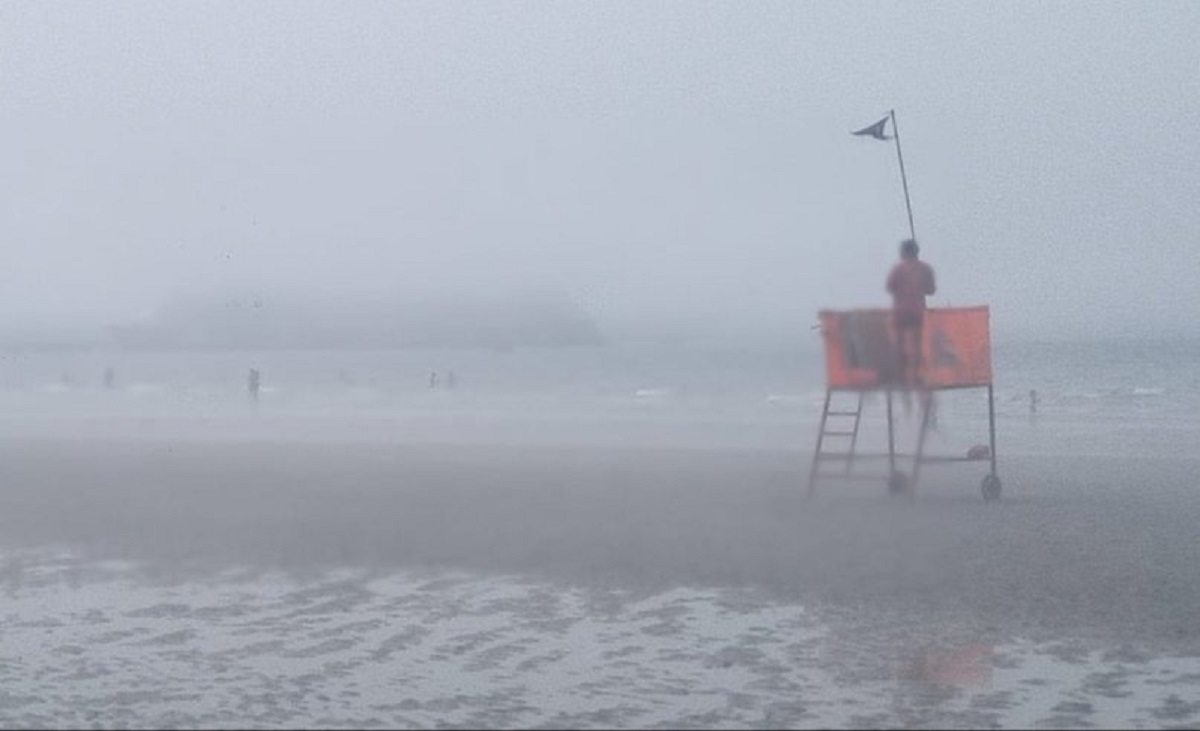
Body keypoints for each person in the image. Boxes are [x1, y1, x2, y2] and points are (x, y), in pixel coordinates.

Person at [886, 238, 936, 387]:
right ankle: (915, 377)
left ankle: (900, 377)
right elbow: (931, 290)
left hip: (900, 312)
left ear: (904, 252)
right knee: (916, 346)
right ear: (916, 252)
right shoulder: (925, 269)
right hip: (917, 312)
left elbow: (890, 288)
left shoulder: (898, 269)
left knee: (900, 346)